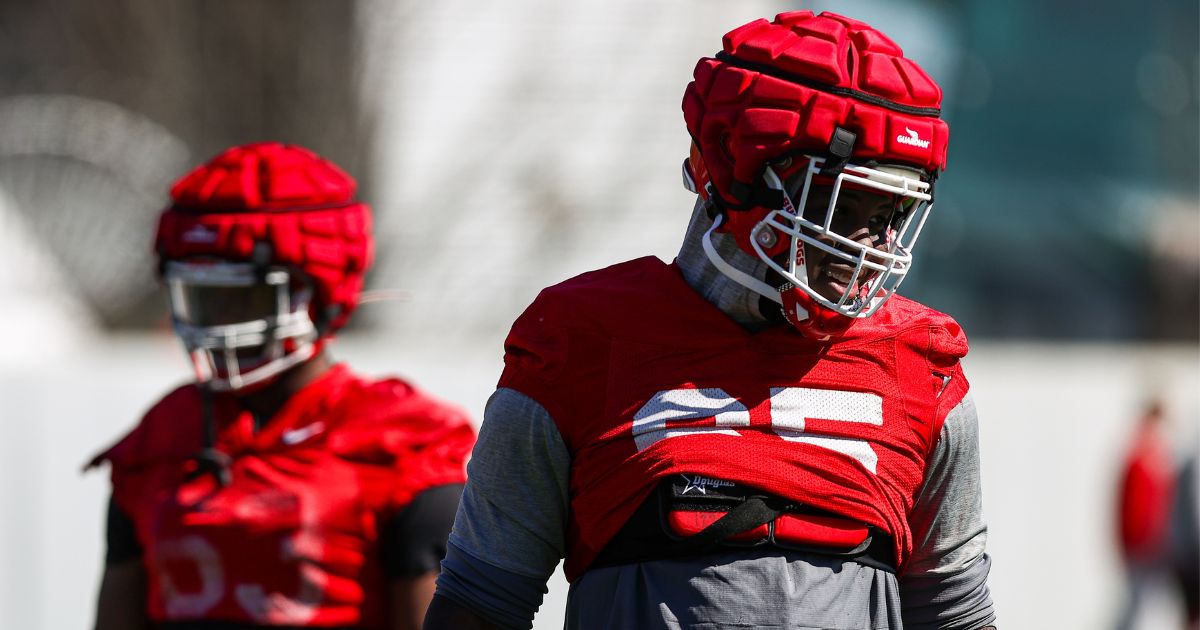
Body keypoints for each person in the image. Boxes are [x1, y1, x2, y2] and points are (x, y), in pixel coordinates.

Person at [424, 11, 996, 630]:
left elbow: (955, 615)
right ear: (734, 171)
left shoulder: (920, 368)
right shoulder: (582, 341)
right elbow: (480, 602)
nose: (867, 244)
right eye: (840, 203)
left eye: (889, 211)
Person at [88, 142, 477, 630]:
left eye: (242, 298)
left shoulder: (399, 445)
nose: (218, 322)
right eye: (202, 298)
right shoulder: (160, 440)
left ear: (316, 292)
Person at [1114, 399, 1178, 630]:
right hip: (1142, 549)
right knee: (1136, 609)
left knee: (1146, 610)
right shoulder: (1140, 459)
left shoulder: (1153, 460)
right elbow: (1134, 510)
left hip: (1152, 549)